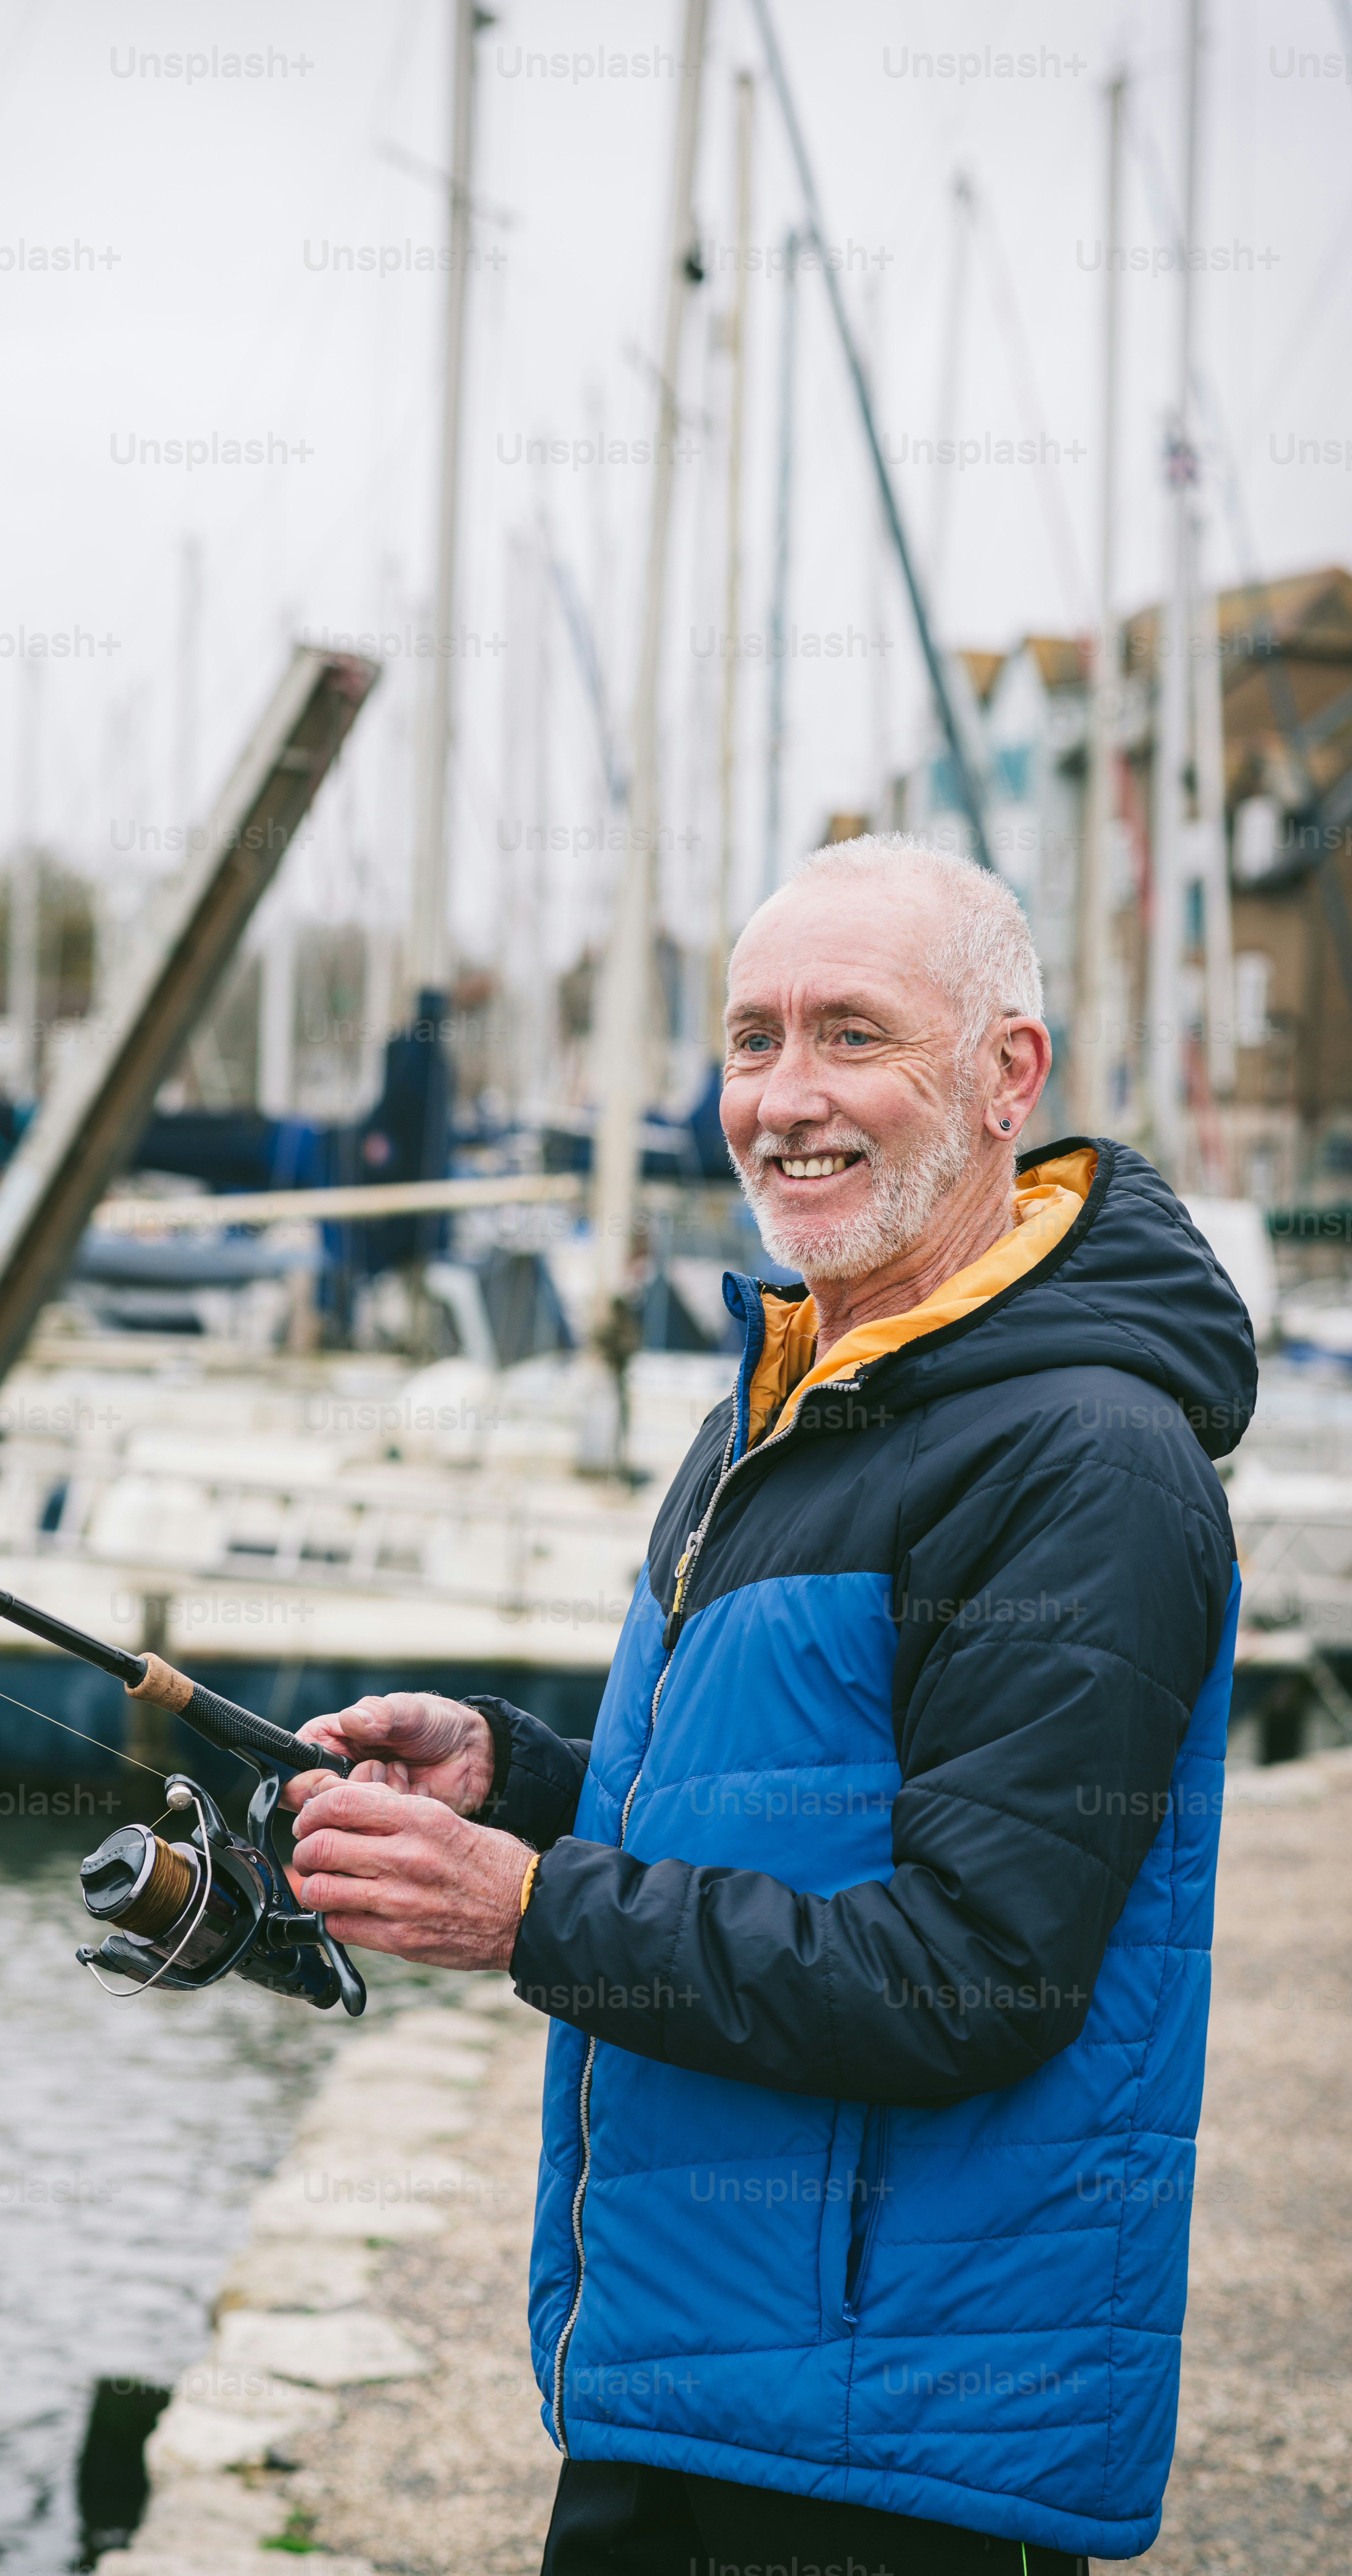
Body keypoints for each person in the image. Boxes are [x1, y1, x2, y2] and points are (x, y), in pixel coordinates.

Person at [280, 836, 1254, 2575]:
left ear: (1000, 1078)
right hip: (702, 2386)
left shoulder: (1089, 1459)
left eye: (851, 1034)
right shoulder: (796, 1392)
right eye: (750, 1040)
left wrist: (525, 1912)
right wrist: (517, 1784)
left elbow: (973, 1973)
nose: (785, 1097)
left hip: (886, 2461)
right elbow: (794, 1816)